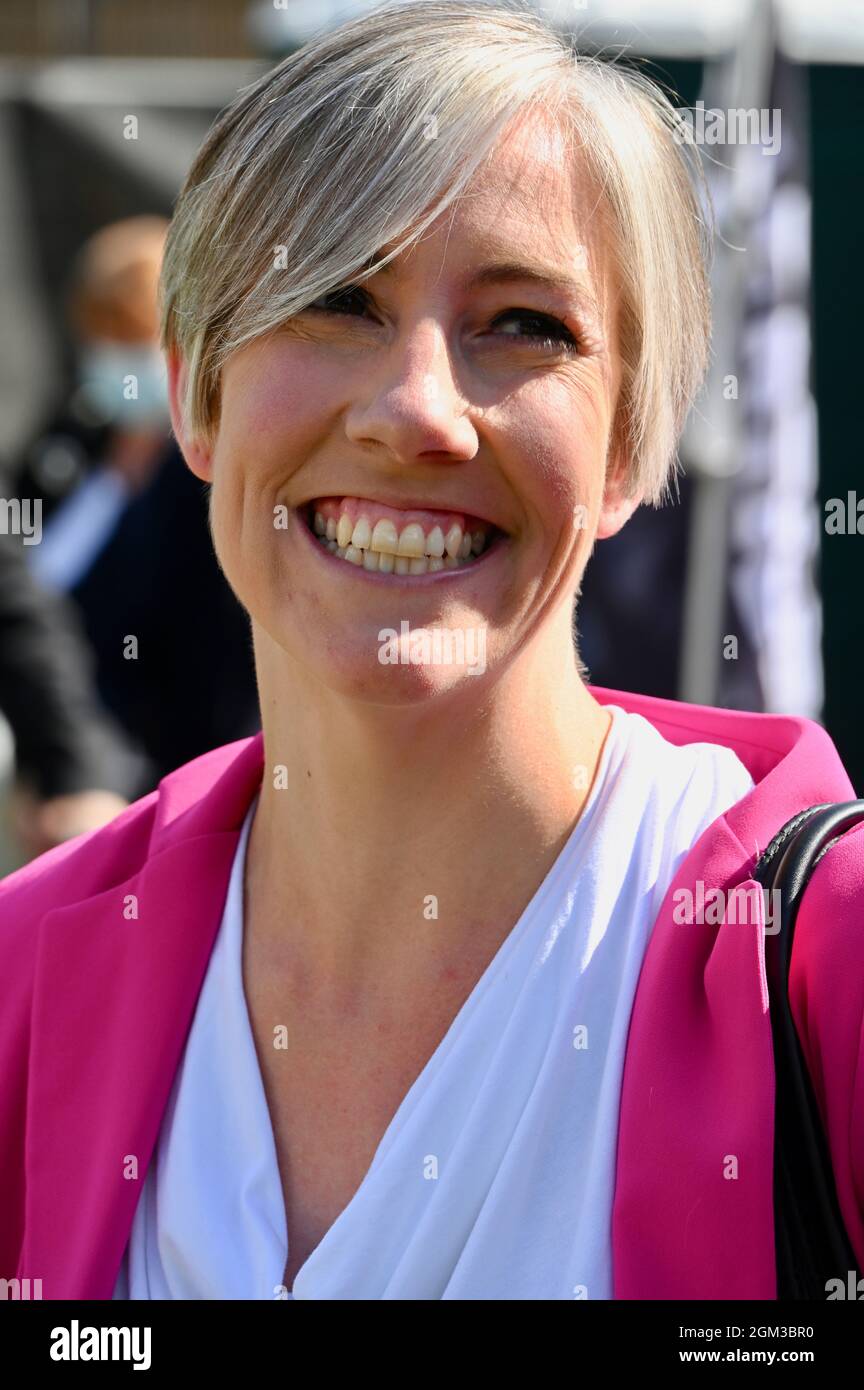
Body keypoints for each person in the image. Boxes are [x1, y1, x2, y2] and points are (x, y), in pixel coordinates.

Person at [1, 0, 862, 1301]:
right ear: (194, 392)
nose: (416, 410)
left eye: (525, 325)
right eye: (332, 295)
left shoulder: (824, 970)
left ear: (635, 440)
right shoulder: (26, 977)